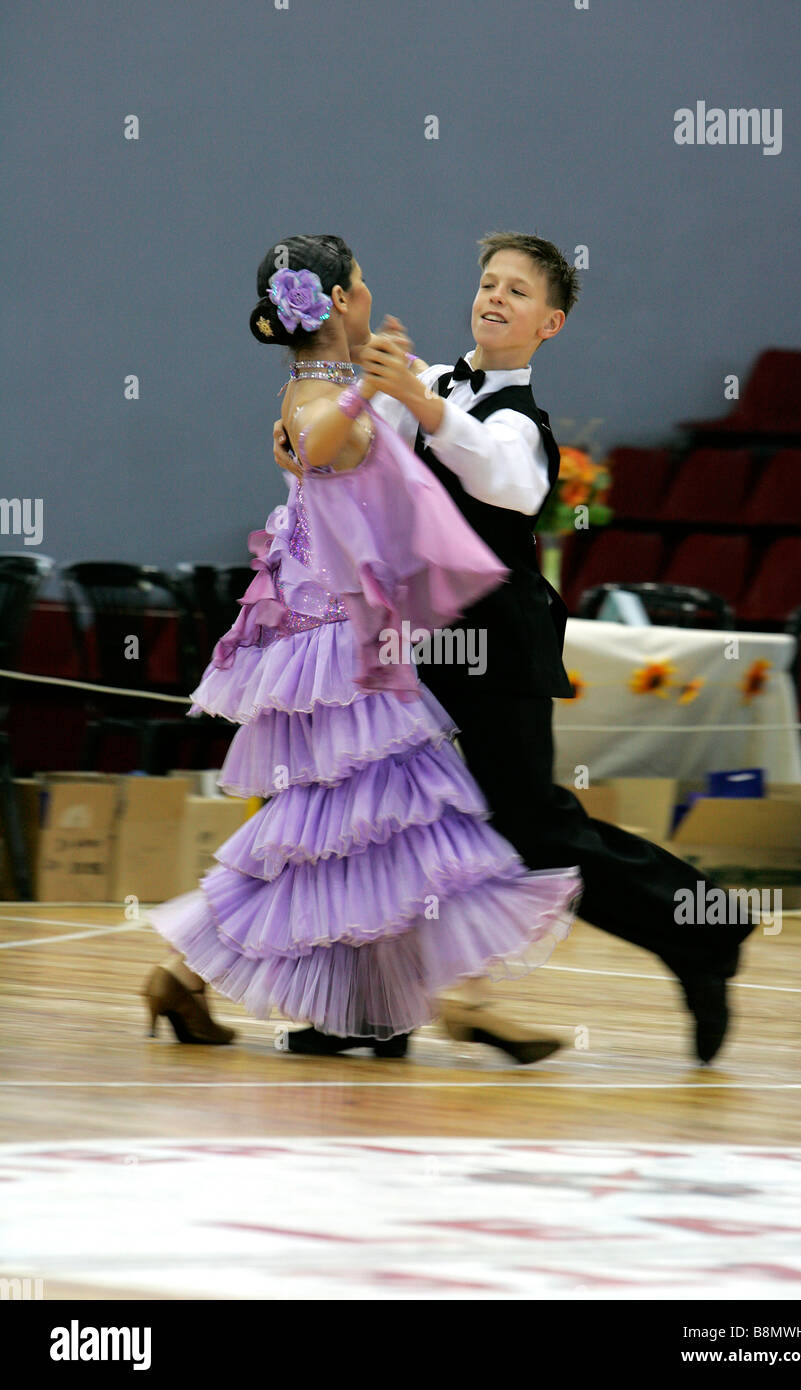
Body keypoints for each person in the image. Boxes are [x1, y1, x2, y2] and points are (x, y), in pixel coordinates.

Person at [273, 231, 755, 1065]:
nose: (495, 297)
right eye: (488, 282)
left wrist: (419, 404)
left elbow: (513, 481)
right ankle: (370, 1013)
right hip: (413, 634)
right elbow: (354, 460)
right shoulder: (421, 384)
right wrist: (306, 447)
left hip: (495, 643)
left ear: (551, 324)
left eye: (519, 292)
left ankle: (699, 930)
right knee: (384, 817)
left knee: (530, 826)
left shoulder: (512, 421)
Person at [143, 233, 582, 1065]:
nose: (373, 289)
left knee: (341, 828)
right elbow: (314, 448)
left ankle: (202, 980)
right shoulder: (321, 388)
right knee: (399, 812)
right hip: (332, 642)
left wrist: (388, 395)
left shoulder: (346, 385)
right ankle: (463, 1000)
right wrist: (361, 406)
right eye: (362, 282)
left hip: (356, 627)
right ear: (341, 302)